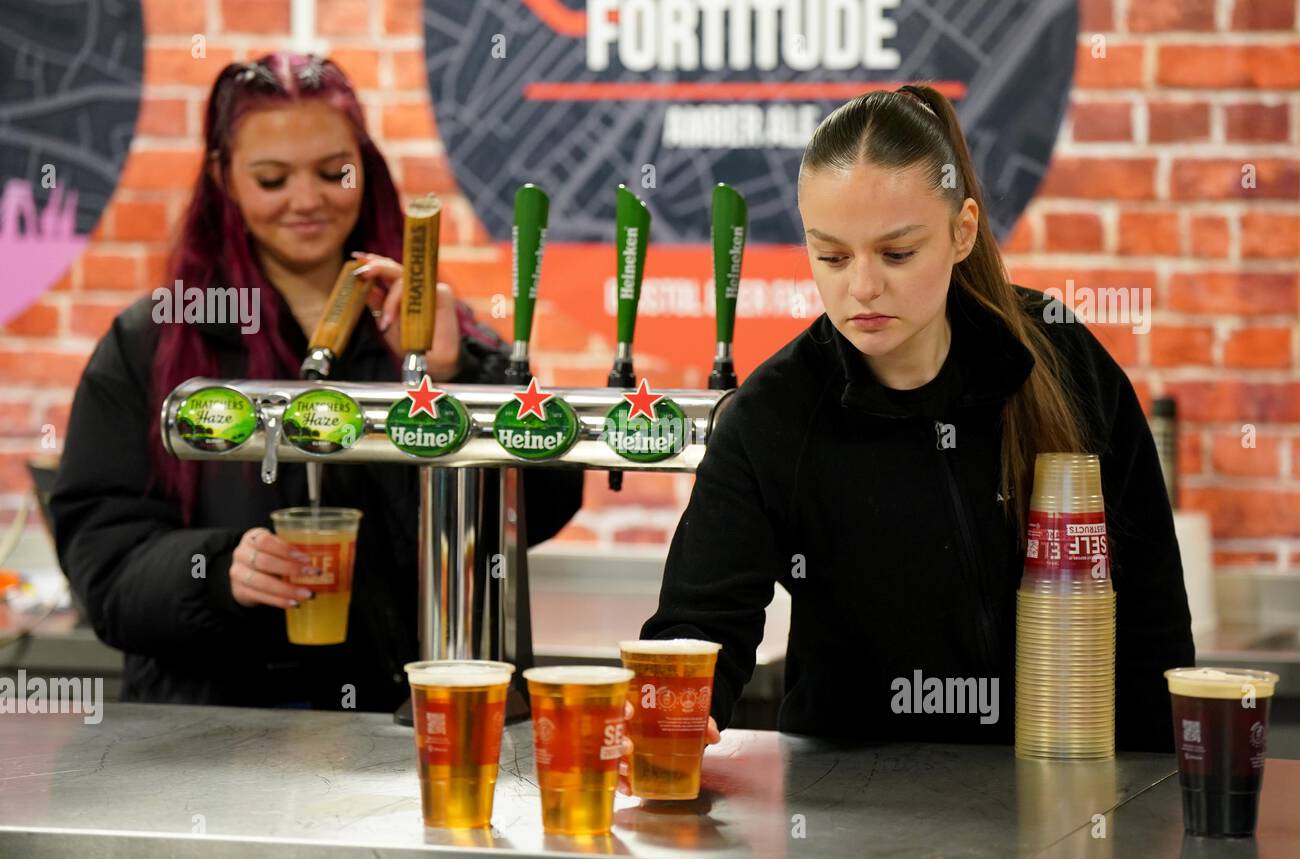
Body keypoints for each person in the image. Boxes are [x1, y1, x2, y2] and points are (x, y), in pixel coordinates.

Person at [641, 85, 1193, 752]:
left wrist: (1156, 799)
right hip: (845, 825)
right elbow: (697, 632)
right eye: (832, 256)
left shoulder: (1061, 358)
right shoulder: (774, 416)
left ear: (962, 232)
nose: (863, 287)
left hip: (1063, 800)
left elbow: (1152, 620)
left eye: (897, 253)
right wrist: (673, 712)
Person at [50, 53, 583, 711]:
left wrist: (459, 374)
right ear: (223, 178)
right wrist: (216, 571)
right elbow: (102, 564)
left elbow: (546, 502)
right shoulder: (153, 343)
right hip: (213, 747)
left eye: (335, 173)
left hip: (407, 734)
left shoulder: (428, 325)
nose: (307, 200)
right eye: (272, 179)